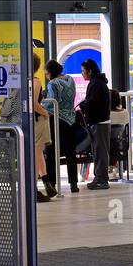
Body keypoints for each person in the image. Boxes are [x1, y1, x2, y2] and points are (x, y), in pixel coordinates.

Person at [45, 59, 78, 195]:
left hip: (57, 120)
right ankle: (74, 184)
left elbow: (52, 103)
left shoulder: (52, 84)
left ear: (51, 72)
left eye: (47, 73)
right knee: (71, 153)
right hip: (71, 119)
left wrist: (41, 106)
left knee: (51, 152)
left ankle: (52, 183)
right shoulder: (70, 79)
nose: (46, 75)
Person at [79, 58, 111, 190]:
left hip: (99, 122)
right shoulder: (98, 83)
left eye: (83, 71)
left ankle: (102, 179)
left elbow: (92, 103)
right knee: (99, 151)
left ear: (90, 71)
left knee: (100, 152)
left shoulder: (96, 84)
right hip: (99, 122)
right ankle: (99, 177)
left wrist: (83, 105)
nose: (82, 74)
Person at [30, 52, 53, 203]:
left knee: (38, 154)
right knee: (37, 153)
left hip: (31, 121)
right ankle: (36, 189)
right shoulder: (36, 81)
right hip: (38, 121)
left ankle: (47, 184)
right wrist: (46, 113)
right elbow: (34, 103)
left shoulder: (22, 81)